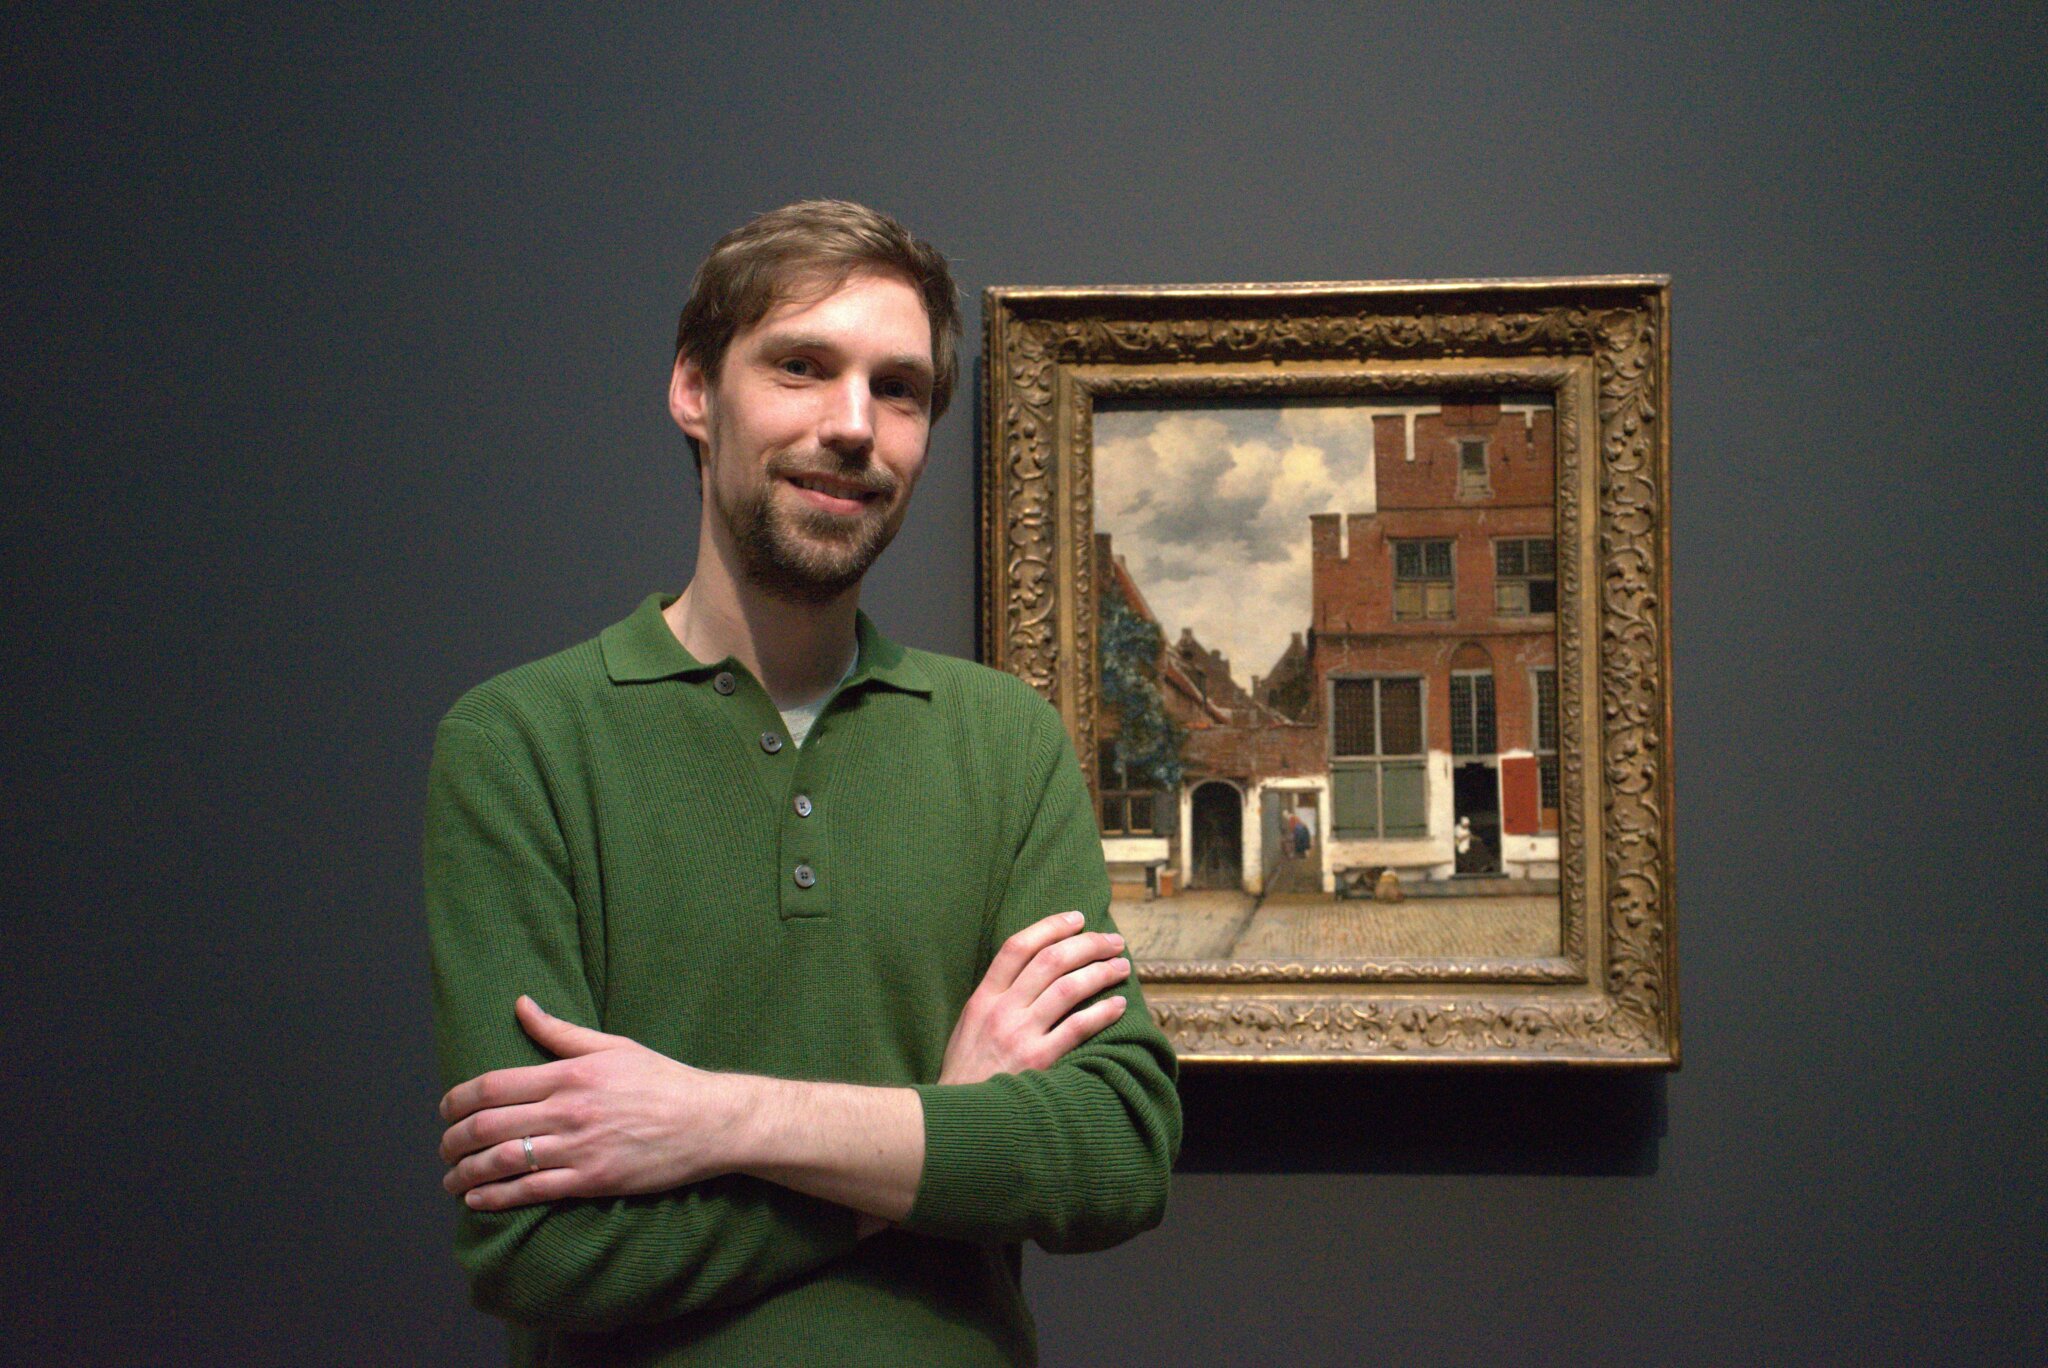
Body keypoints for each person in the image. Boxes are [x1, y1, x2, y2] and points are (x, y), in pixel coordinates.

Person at [424, 200, 1181, 1367]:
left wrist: (717, 1121)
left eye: (899, 389)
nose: (852, 425)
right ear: (693, 389)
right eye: (799, 366)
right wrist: (937, 1131)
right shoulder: (520, 743)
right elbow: (544, 1254)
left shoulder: (1003, 740)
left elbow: (1115, 1151)